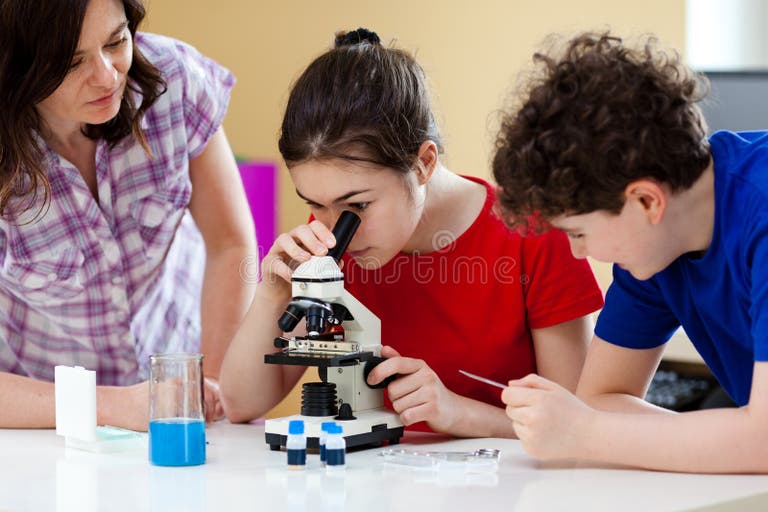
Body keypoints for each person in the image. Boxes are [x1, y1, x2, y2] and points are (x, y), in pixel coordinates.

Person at [220, 28, 603, 438]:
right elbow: (242, 405)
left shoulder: (532, 234)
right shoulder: (332, 242)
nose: (333, 229)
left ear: (423, 163)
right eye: (314, 203)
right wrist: (271, 295)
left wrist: (456, 412)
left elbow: (578, 426)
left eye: (358, 205)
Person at [493, 31, 768, 472]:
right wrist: (584, 425)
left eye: (578, 233)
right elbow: (599, 400)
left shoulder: (761, 207)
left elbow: (763, 440)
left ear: (645, 201)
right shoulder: (655, 253)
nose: (578, 253)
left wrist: (582, 432)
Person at [0, 0, 257, 430]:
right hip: (41, 416)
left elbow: (231, 244)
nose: (106, 76)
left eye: (116, 42)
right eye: (69, 63)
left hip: (183, 358)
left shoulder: (174, 80)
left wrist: (207, 386)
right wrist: (112, 407)